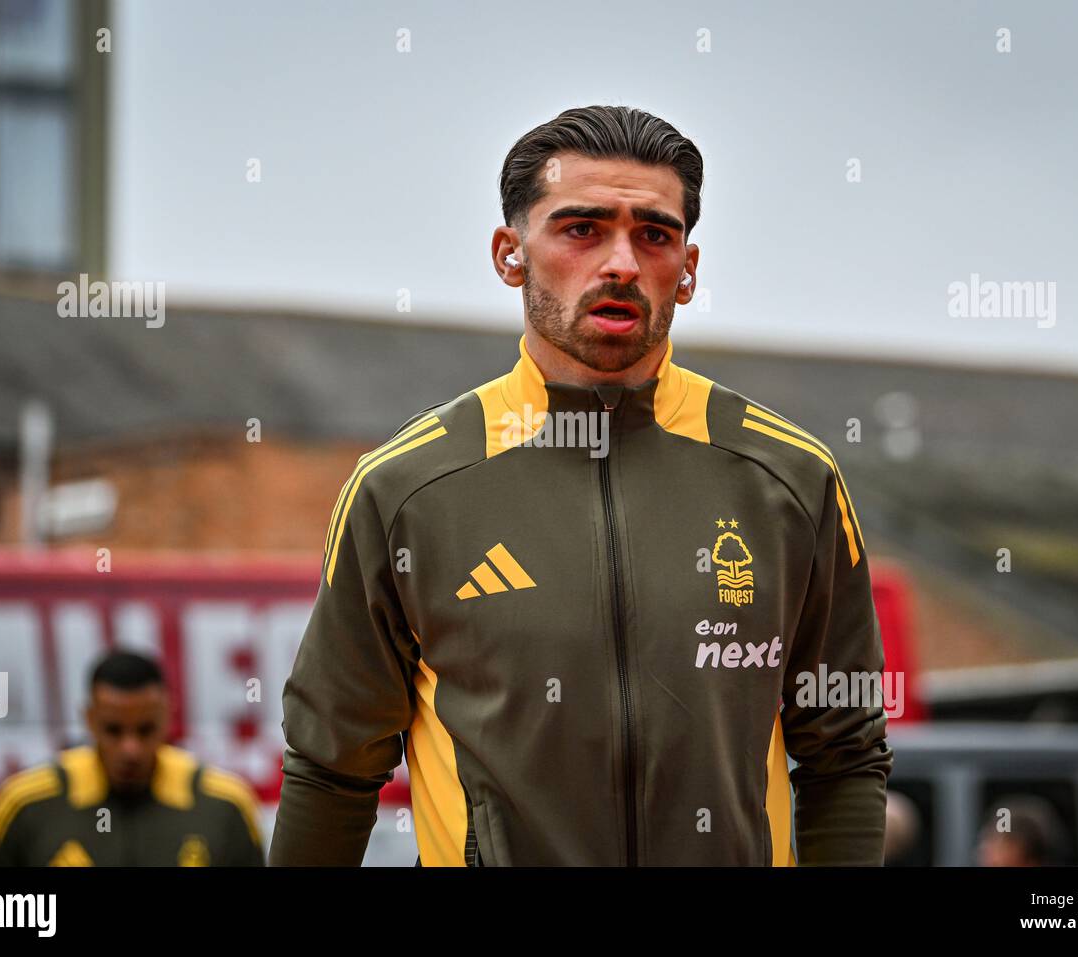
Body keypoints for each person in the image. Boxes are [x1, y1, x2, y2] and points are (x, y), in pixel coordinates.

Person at [271, 105, 893, 866]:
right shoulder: (405, 489)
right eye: (582, 229)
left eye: (654, 235)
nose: (622, 263)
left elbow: (846, 754)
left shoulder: (791, 480)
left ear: (688, 270)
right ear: (510, 255)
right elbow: (332, 767)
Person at [0, 651, 263, 866]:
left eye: (145, 729)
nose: (130, 749)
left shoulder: (223, 806)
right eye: (113, 730)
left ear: (167, 717)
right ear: (89, 718)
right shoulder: (25, 805)